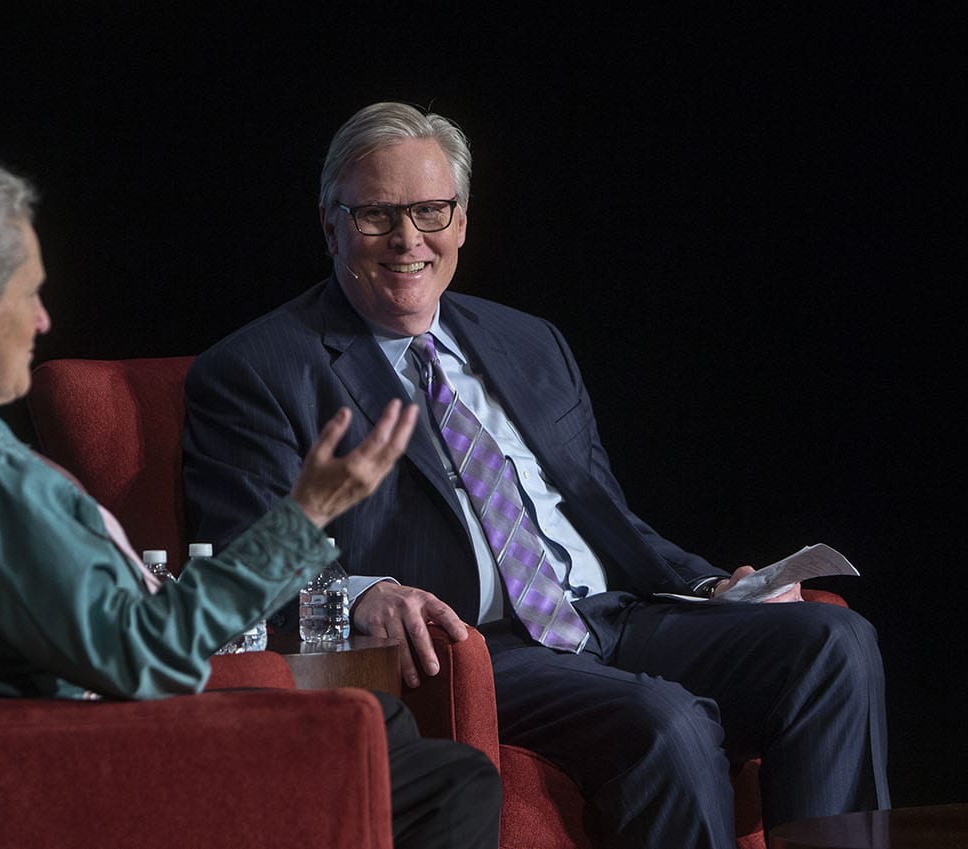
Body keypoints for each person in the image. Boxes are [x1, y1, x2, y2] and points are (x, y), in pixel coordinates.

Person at [180, 102, 889, 848]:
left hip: (610, 614)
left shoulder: (528, 340)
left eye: (430, 211)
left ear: (461, 221)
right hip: (478, 648)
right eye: (376, 215)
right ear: (330, 226)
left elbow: (604, 515)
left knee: (833, 643)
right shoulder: (257, 371)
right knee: (669, 725)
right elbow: (240, 563)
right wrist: (364, 595)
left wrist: (714, 584)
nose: (407, 238)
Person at [0, 162, 501, 849]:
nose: (43, 320)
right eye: (30, 293)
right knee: (452, 781)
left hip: (47, 722)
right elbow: (145, 654)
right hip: (86, 762)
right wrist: (303, 515)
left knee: (382, 724)